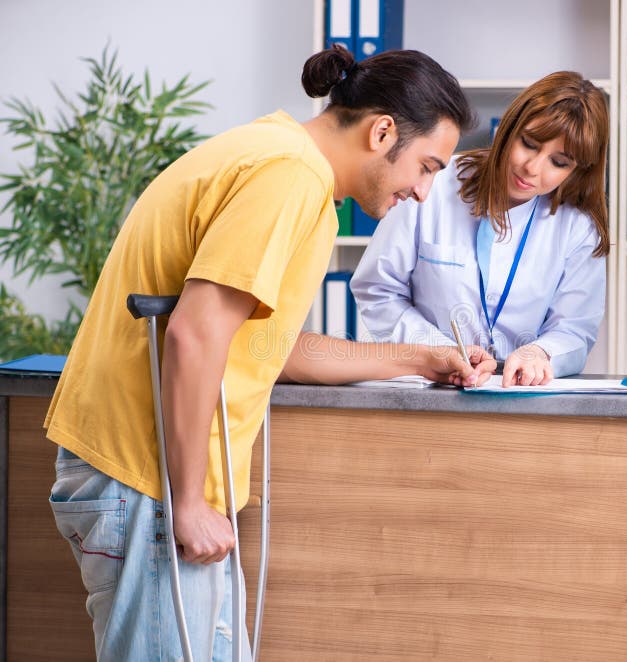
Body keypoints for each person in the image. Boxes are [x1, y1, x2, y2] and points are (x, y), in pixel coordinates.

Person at [44, 45, 495, 662]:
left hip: (154, 479)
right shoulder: (288, 177)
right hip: (147, 480)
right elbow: (195, 333)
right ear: (382, 132)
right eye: (426, 167)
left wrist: (421, 359)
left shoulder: (278, 157)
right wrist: (186, 502)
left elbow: (267, 347)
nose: (423, 191)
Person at [351, 70, 610, 387]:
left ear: (577, 170)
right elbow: (377, 290)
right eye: (529, 144)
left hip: (521, 392)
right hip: (430, 382)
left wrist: (540, 353)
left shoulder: (577, 226)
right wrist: (438, 351)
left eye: (559, 162)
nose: (532, 168)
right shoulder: (431, 182)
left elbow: (575, 328)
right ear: (508, 129)